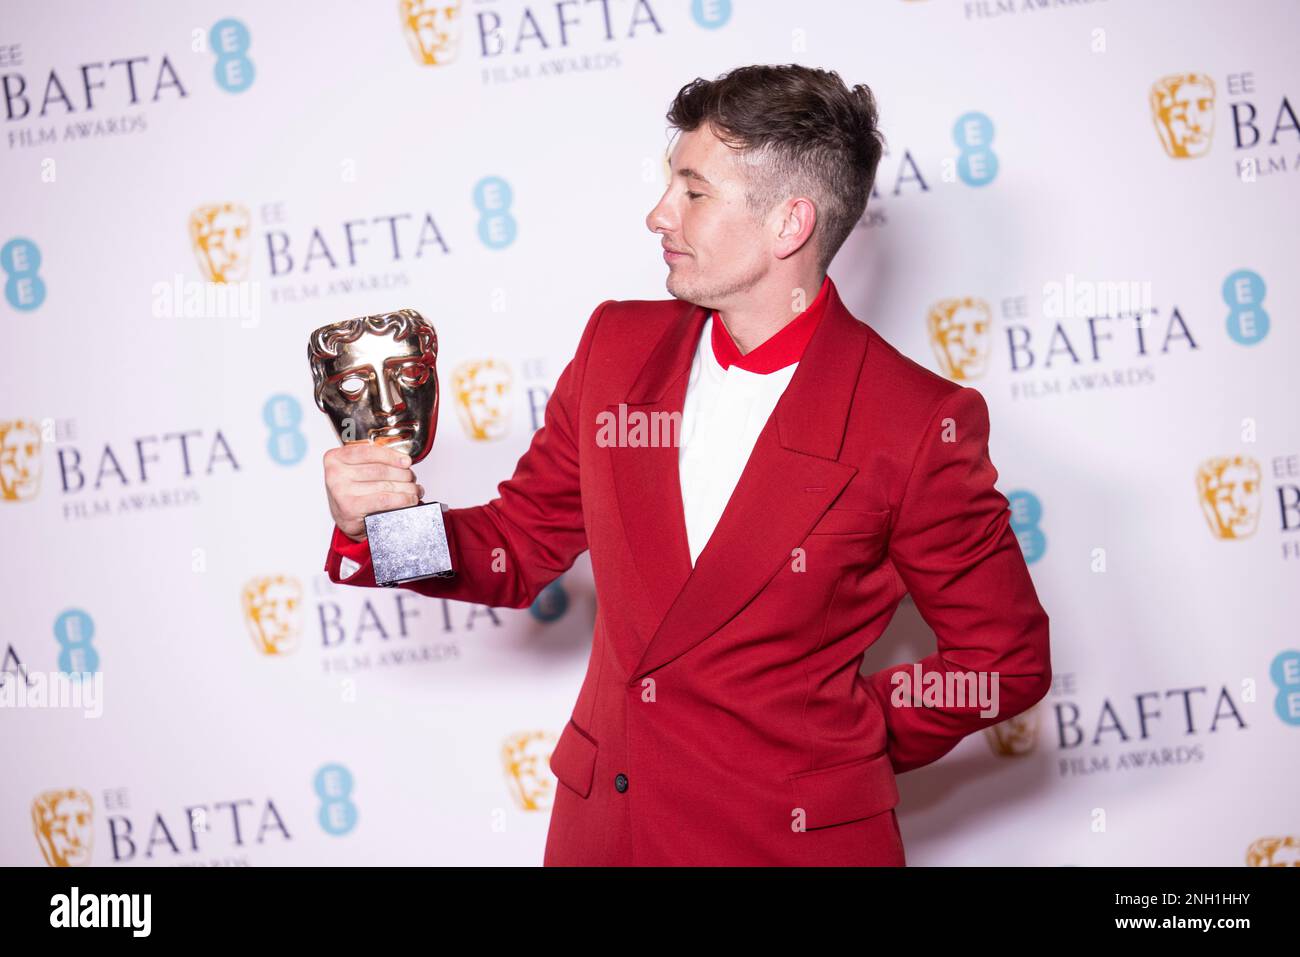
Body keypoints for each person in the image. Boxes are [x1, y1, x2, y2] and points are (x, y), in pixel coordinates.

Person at [321, 63, 1051, 866]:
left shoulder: (917, 424)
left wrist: (837, 742)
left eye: (694, 192)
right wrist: (380, 529)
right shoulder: (615, 347)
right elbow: (518, 545)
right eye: (671, 183)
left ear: (789, 225)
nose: (658, 214)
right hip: (608, 834)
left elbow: (1002, 661)